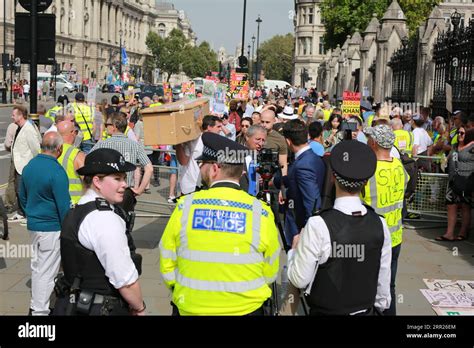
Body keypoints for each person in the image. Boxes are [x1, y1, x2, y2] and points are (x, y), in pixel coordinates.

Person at [159, 132, 280, 315]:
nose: (200, 169)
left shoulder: (186, 206)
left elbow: (167, 257)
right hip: (246, 309)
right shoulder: (260, 211)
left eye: (202, 165)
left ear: (214, 168)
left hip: (191, 308)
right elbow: (271, 267)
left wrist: (179, 289)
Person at [287, 140, 392, 315]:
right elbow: (383, 278)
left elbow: (299, 279)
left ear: (333, 176)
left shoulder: (318, 224)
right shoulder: (380, 223)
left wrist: (294, 251)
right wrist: (380, 306)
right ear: (365, 182)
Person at [53, 148, 145, 316]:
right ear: (97, 181)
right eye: (117, 178)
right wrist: (139, 307)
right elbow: (124, 279)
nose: (124, 184)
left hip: (72, 305)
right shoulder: (105, 219)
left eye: (124, 178)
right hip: (102, 308)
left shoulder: (76, 212)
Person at [19, 132, 71, 315]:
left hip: (34, 225)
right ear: (59, 149)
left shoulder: (29, 167)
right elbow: (64, 207)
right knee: (47, 271)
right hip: (52, 227)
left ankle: (36, 303)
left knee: (37, 266)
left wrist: (32, 213)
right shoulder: (57, 172)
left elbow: (22, 197)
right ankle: (39, 310)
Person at [361, 125, 409, 316]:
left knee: (367, 285)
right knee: (389, 285)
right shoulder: (398, 166)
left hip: (372, 237)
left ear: (374, 143)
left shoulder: (368, 169)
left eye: (368, 139)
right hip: (395, 238)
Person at [91, 112, 153, 212]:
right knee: (124, 223)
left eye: (107, 125)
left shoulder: (103, 144)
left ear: (114, 126)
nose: (106, 127)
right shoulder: (134, 145)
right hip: (125, 192)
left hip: (107, 193)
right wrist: (139, 190)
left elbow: (86, 160)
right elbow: (149, 168)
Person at [278, 119, 326, 246]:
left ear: (288, 141)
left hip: (300, 233)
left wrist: (304, 233)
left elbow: (312, 201)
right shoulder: (312, 158)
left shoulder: (303, 165)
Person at [435, 127, 473, 242]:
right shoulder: (455, 146)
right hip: (453, 181)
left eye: (462, 133)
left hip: (466, 181)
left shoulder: (472, 146)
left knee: (465, 206)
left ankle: (463, 232)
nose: (460, 135)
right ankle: (449, 234)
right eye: (458, 133)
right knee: (451, 206)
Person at [9, 105, 42, 224]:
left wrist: (35, 165)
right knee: (19, 190)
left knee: (23, 192)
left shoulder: (28, 129)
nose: (11, 116)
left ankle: (29, 216)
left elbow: (36, 149)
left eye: (13, 115)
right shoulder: (20, 127)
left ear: (20, 116)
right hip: (19, 165)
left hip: (26, 166)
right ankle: (21, 213)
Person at [175, 115, 223, 195]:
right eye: (218, 126)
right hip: (190, 187)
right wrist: (178, 143)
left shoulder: (220, 142)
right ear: (209, 127)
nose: (221, 129)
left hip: (210, 189)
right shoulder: (194, 140)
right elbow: (183, 161)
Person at [57, 121, 86, 205]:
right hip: (75, 203)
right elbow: (88, 181)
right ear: (73, 133)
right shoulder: (76, 154)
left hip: (55, 202)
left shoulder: (49, 151)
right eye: (76, 132)